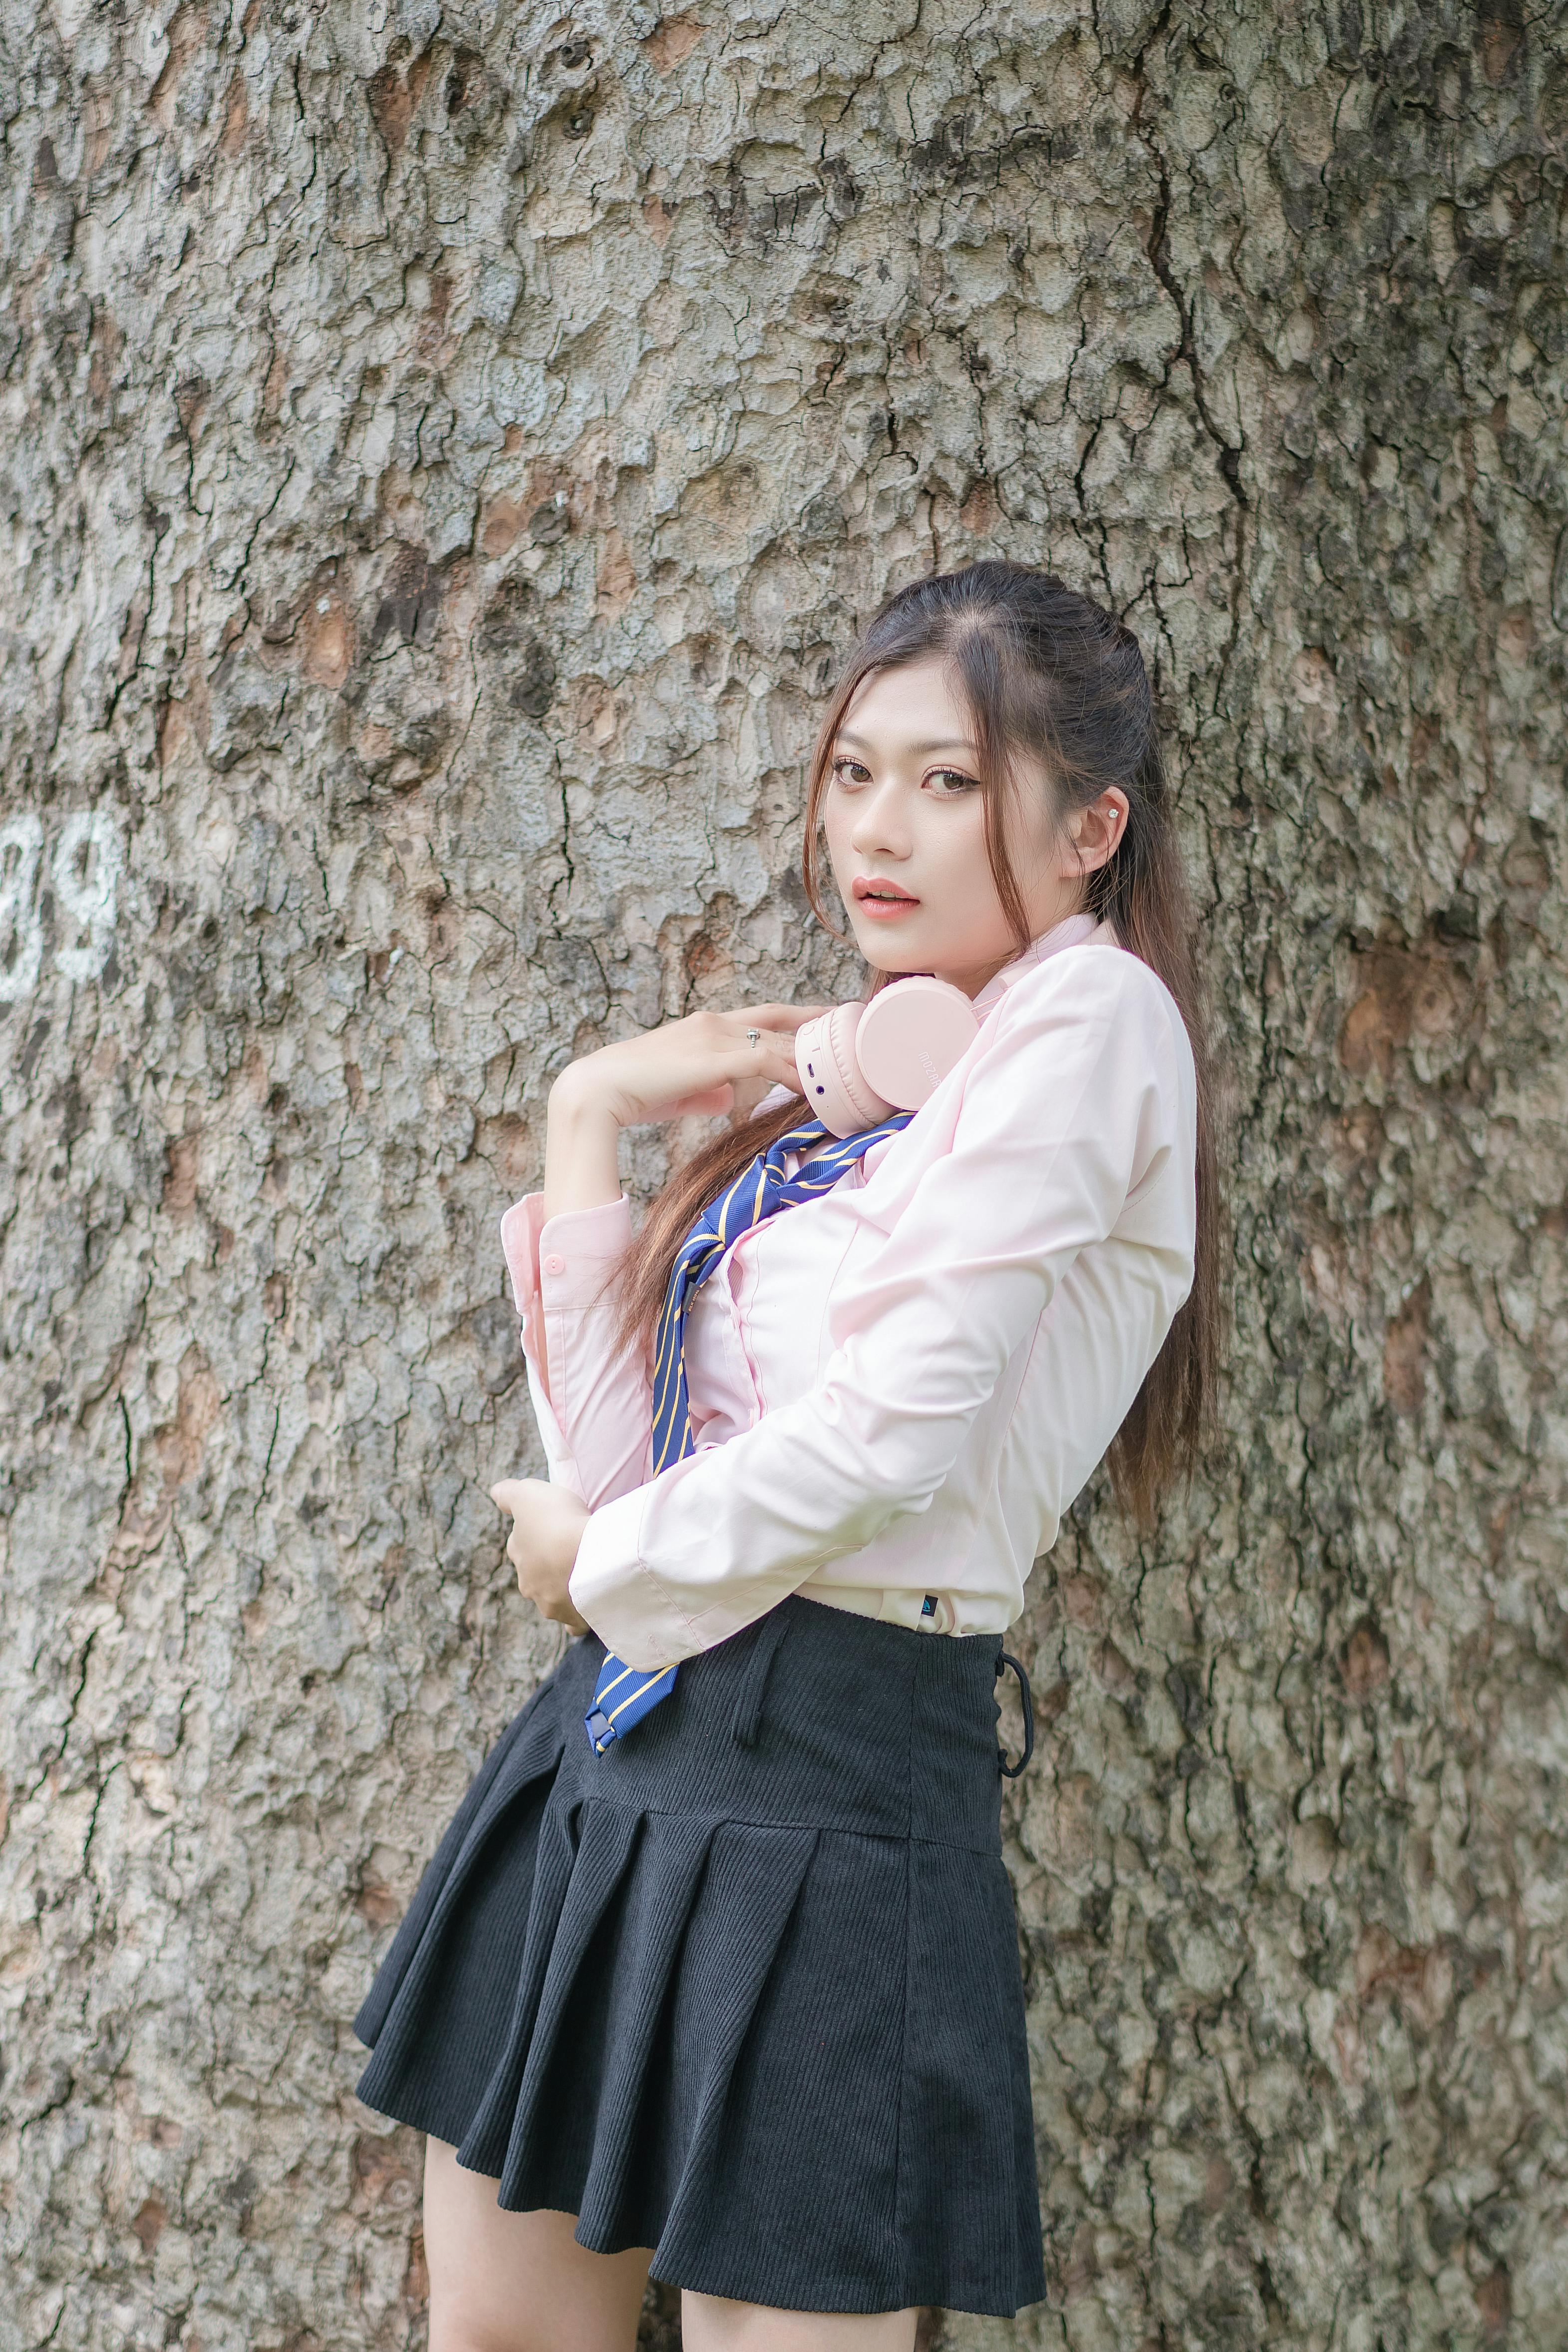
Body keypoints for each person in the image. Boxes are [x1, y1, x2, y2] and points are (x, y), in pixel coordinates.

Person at [353, 560, 1222, 2352]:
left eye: (950, 780)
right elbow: (631, 1457)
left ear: (1090, 827)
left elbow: (893, 1436)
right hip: (617, 1752)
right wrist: (592, 1118)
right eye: (853, 773)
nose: (876, 832)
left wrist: (599, 1569)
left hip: (838, 1772)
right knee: (501, 2337)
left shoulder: (1093, 1024)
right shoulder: (874, 1094)